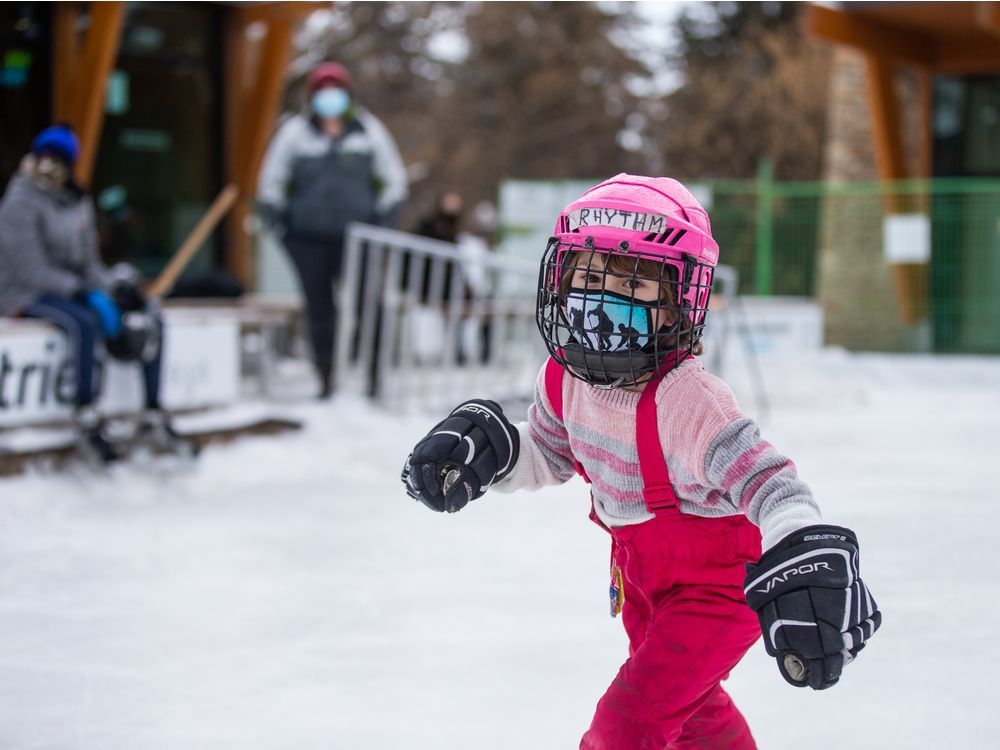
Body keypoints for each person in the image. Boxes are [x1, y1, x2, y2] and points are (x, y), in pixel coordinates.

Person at [401, 174, 882, 748]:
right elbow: (552, 453)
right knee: (691, 709)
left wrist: (806, 548)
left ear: (678, 302)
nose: (603, 294)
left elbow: (771, 484)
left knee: (628, 723)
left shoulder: (686, 399)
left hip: (718, 587)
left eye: (634, 280)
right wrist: (496, 453)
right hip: (641, 577)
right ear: (561, 279)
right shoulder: (561, 379)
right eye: (590, 273)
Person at [0, 125, 193, 464]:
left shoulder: (77, 200)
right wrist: (83, 292)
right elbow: (29, 268)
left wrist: (110, 286)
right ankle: (86, 414)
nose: (49, 165)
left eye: (58, 159)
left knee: (146, 312)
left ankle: (152, 411)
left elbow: (88, 262)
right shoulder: (19, 200)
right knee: (83, 324)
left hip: (72, 288)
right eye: (44, 156)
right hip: (24, 293)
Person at [257, 61, 408, 399]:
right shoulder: (295, 133)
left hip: (359, 239)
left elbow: (394, 183)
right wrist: (283, 231)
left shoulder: (367, 130)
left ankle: (373, 376)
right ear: (312, 96)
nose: (329, 98)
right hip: (309, 240)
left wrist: (382, 226)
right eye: (322, 90)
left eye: (334, 90)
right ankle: (325, 377)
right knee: (320, 309)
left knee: (369, 304)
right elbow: (271, 185)